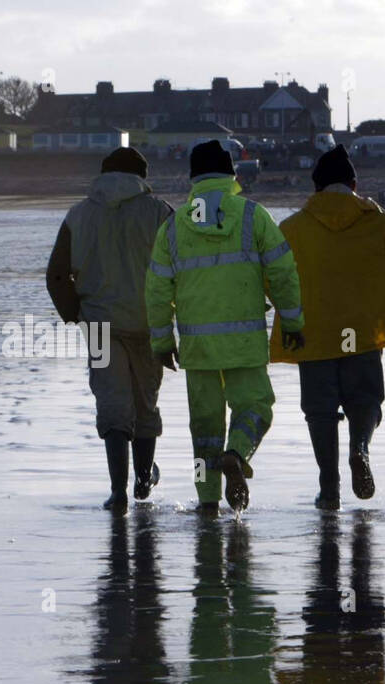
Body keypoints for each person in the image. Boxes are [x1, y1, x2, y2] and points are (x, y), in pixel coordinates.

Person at [145, 140, 303, 515]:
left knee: (203, 430)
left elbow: (156, 290)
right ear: (232, 175)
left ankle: (207, 501)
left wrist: (163, 340)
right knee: (254, 408)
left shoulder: (173, 227)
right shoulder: (252, 216)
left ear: (192, 178)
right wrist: (293, 321)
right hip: (244, 343)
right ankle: (237, 453)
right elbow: (283, 272)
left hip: (197, 349)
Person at [270, 145, 385, 511]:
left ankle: (329, 488)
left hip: (313, 335)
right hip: (363, 333)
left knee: (320, 411)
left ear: (316, 188)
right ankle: (361, 448)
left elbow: (272, 278)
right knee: (366, 400)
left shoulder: (291, 228)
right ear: (354, 184)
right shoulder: (379, 221)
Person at [47, 146, 173, 514]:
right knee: (145, 403)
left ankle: (117, 492)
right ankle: (144, 481)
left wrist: (75, 314)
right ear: (141, 177)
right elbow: (181, 265)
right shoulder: (160, 213)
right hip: (148, 322)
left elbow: (56, 275)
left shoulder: (78, 214)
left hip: (99, 325)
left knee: (112, 403)